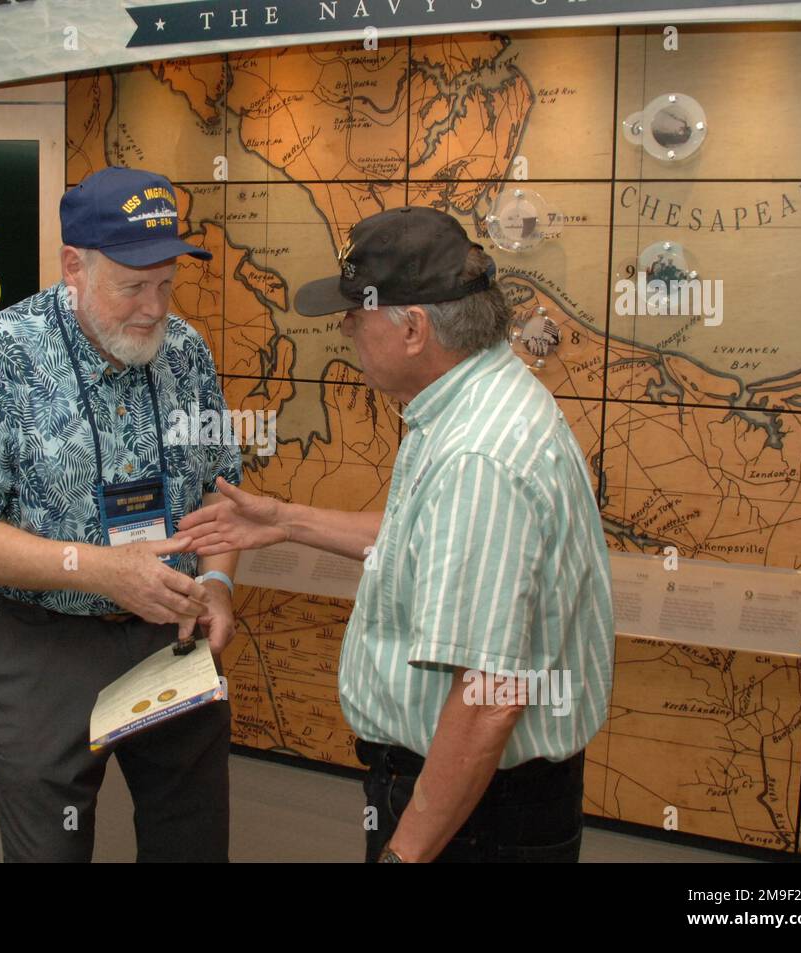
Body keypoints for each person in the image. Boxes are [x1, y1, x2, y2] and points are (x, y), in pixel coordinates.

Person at [178, 206, 614, 863]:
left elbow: (490, 697)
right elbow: (430, 541)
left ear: (412, 328)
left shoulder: (477, 455)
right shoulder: (468, 398)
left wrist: (404, 854)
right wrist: (286, 520)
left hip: (477, 811)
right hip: (475, 793)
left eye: (356, 313)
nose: (345, 326)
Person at [0, 166, 241, 862]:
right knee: (49, 847)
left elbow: (220, 491)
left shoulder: (186, 355)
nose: (155, 307)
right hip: (44, 644)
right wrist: (99, 569)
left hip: (173, 635)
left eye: (166, 284)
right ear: (74, 265)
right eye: (132, 286)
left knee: (190, 835)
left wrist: (217, 583)